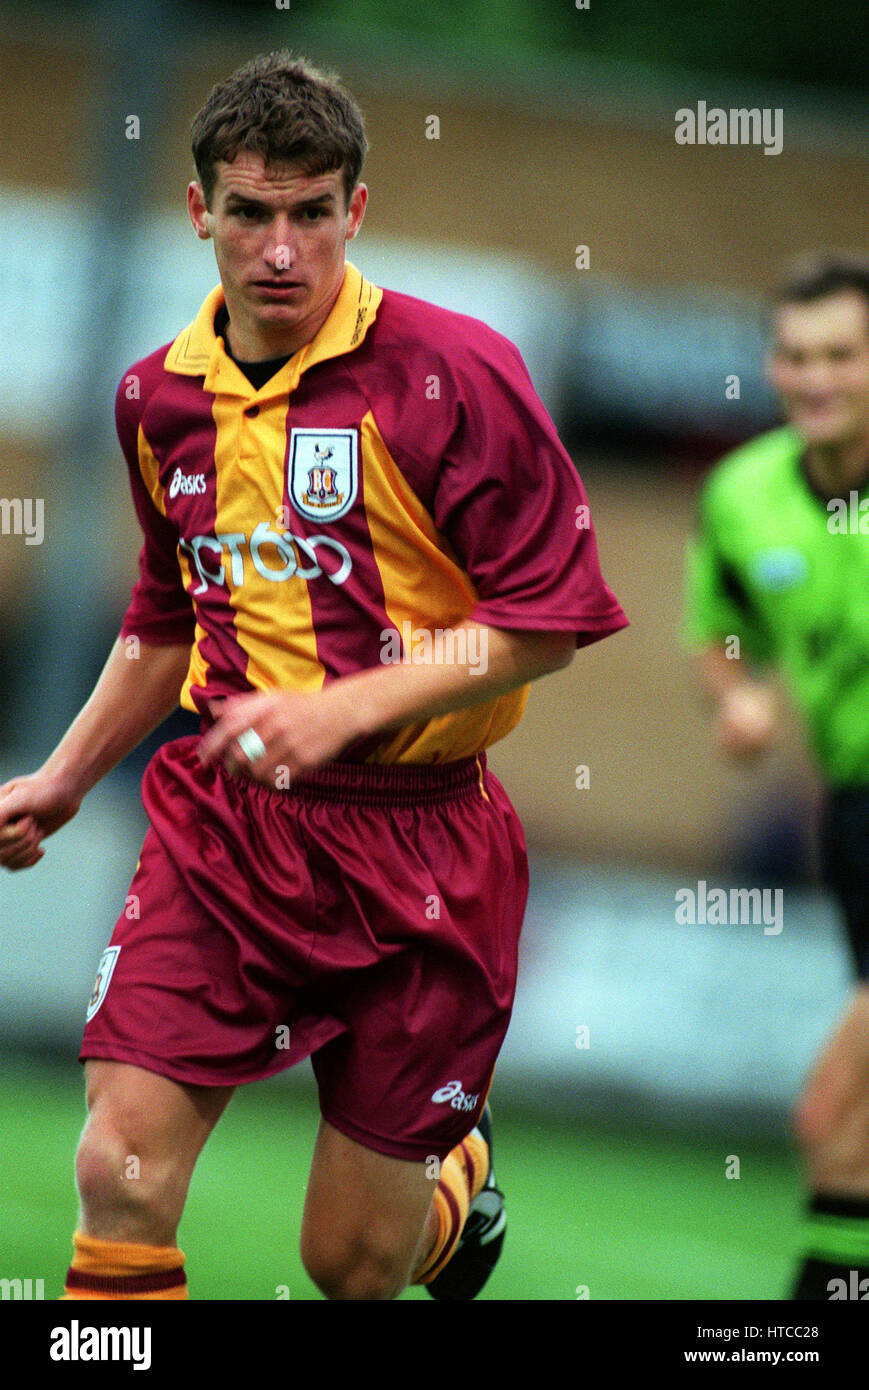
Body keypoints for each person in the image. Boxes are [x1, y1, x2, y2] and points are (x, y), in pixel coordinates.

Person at [0, 51, 627, 1301]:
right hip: (225, 831)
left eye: (308, 212)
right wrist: (65, 775)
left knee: (347, 1267)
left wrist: (347, 705)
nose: (278, 248)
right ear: (201, 214)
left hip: (425, 844)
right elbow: (166, 614)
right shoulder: (156, 399)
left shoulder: (454, 372)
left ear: (354, 211)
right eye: (248, 212)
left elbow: (546, 619)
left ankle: (446, 1202)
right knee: (120, 1170)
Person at [684, 250, 869, 1301]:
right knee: (845, 1143)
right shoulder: (743, 494)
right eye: (796, 356)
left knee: (832, 1111)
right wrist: (736, 699)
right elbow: (718, 634)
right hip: (848, 817)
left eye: (840, 355)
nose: (816, 378)